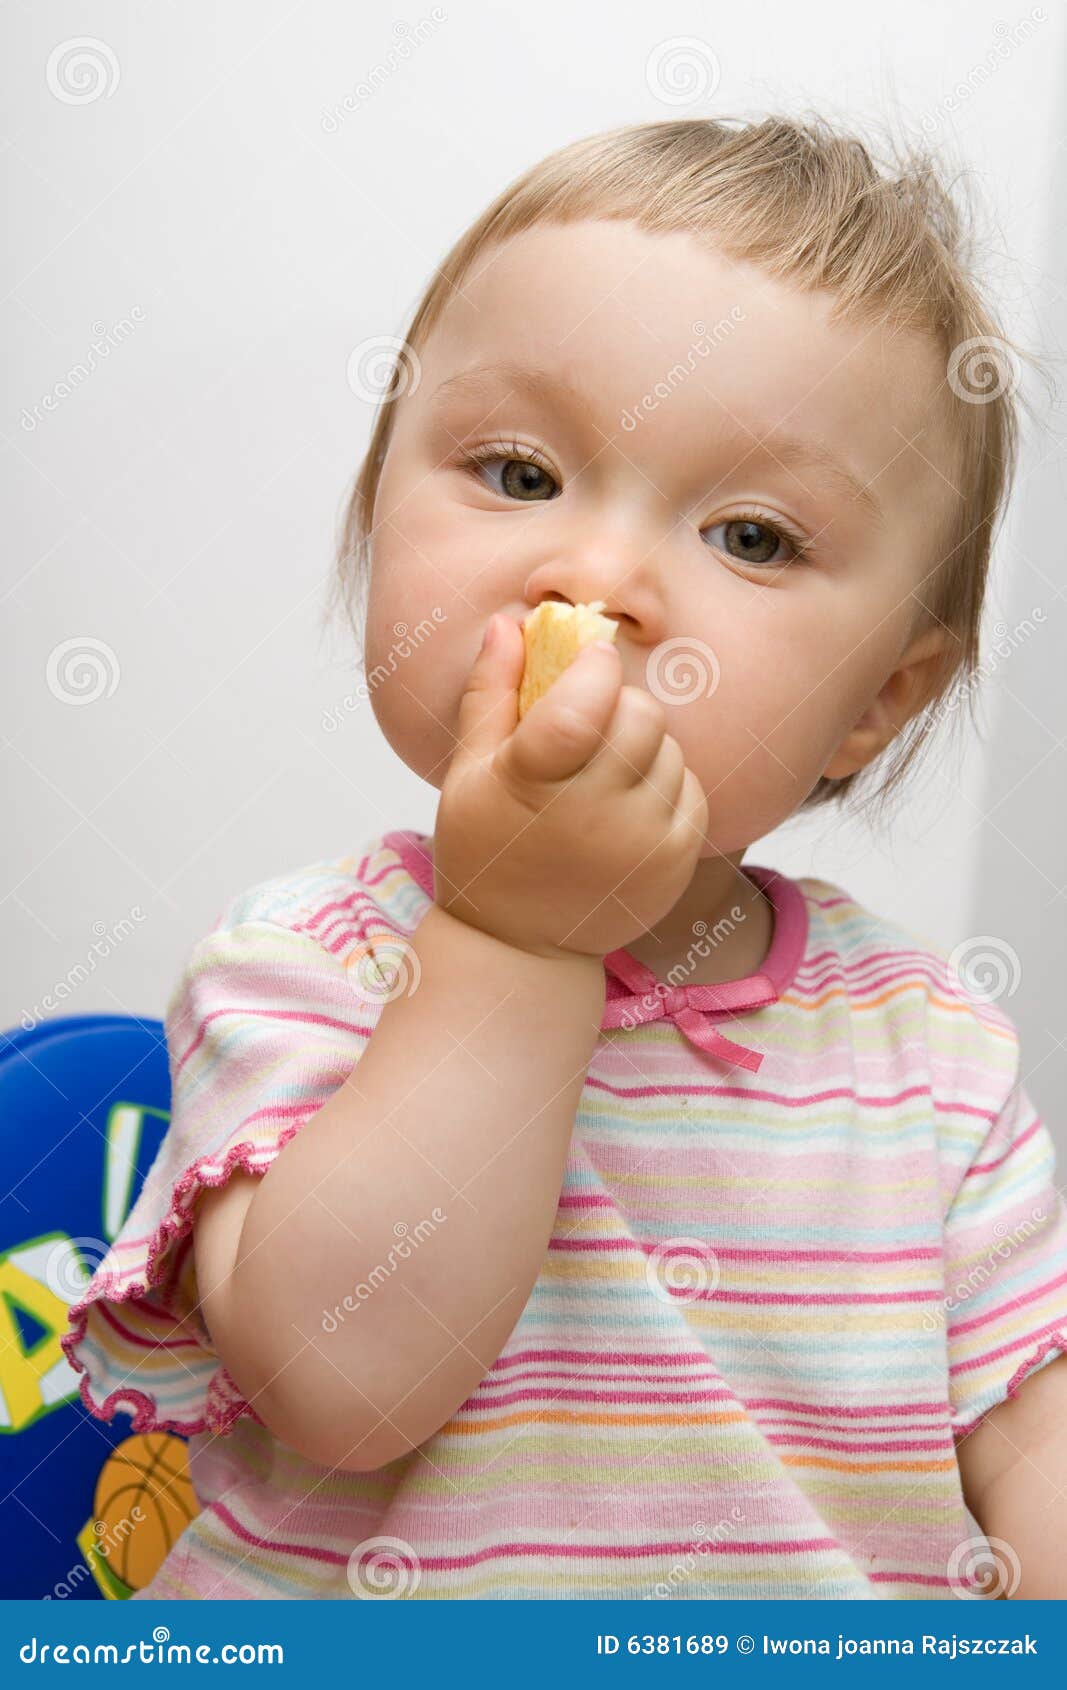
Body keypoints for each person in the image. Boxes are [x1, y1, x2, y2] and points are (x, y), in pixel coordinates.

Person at [62, 114, 1067, 1600]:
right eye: (521, 475)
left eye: (750, 534)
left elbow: (1033, 1455)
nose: (593, 576)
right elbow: (346, 1385)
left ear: (876, 699)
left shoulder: (935, 1054)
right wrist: (516, 937)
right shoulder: (303, 962)